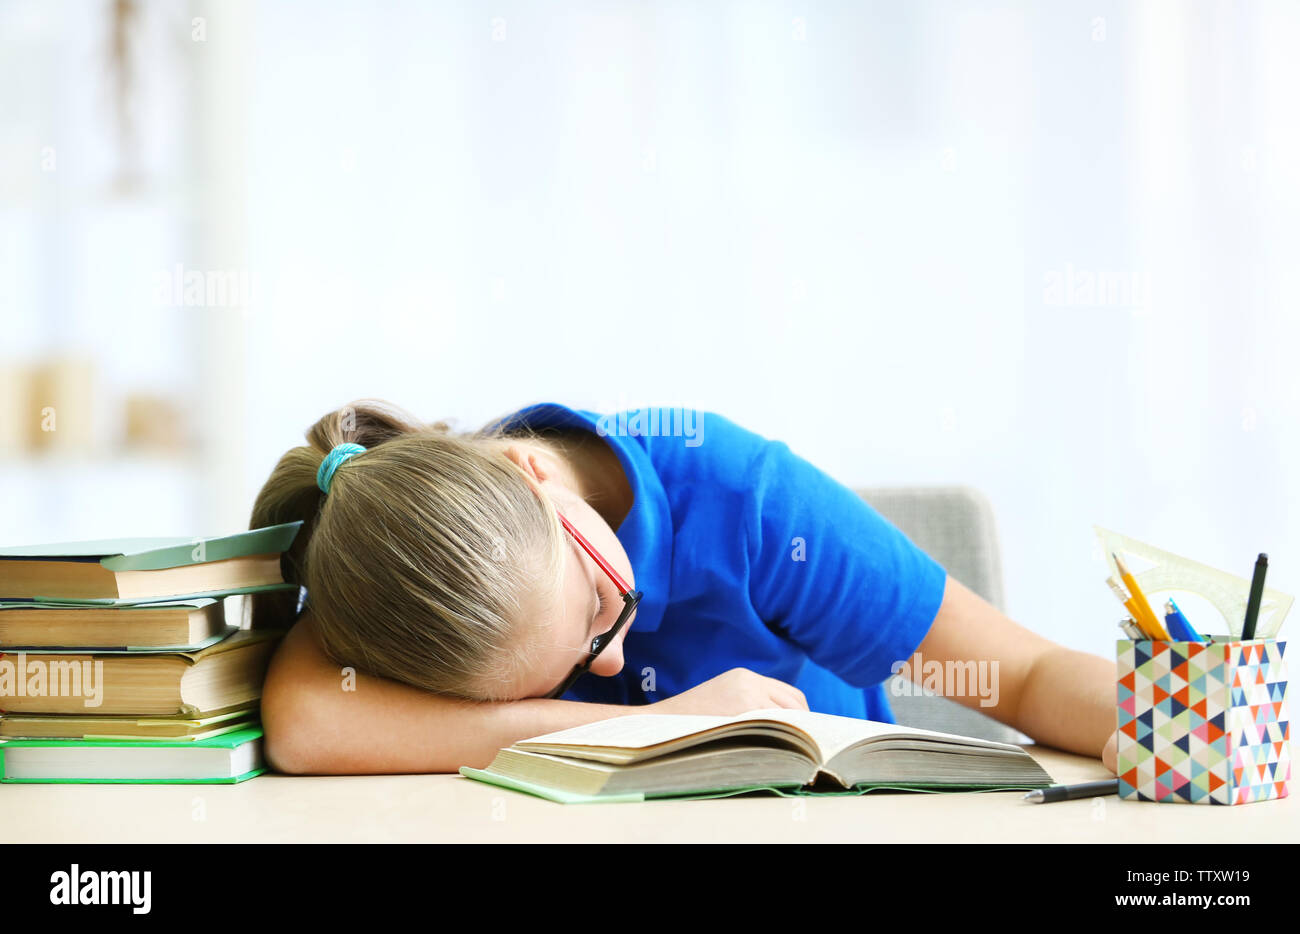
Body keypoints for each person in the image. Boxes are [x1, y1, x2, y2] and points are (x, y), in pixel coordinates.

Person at [249, 399, 1120, 775]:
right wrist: (655, 728)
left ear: (530, 474)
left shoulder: (746, 499)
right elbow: (307, 720)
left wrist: (1192, 719)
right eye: (563, 671)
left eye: (599, 610)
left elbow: (1030, 678)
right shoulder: (410, 567)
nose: (614, 654)